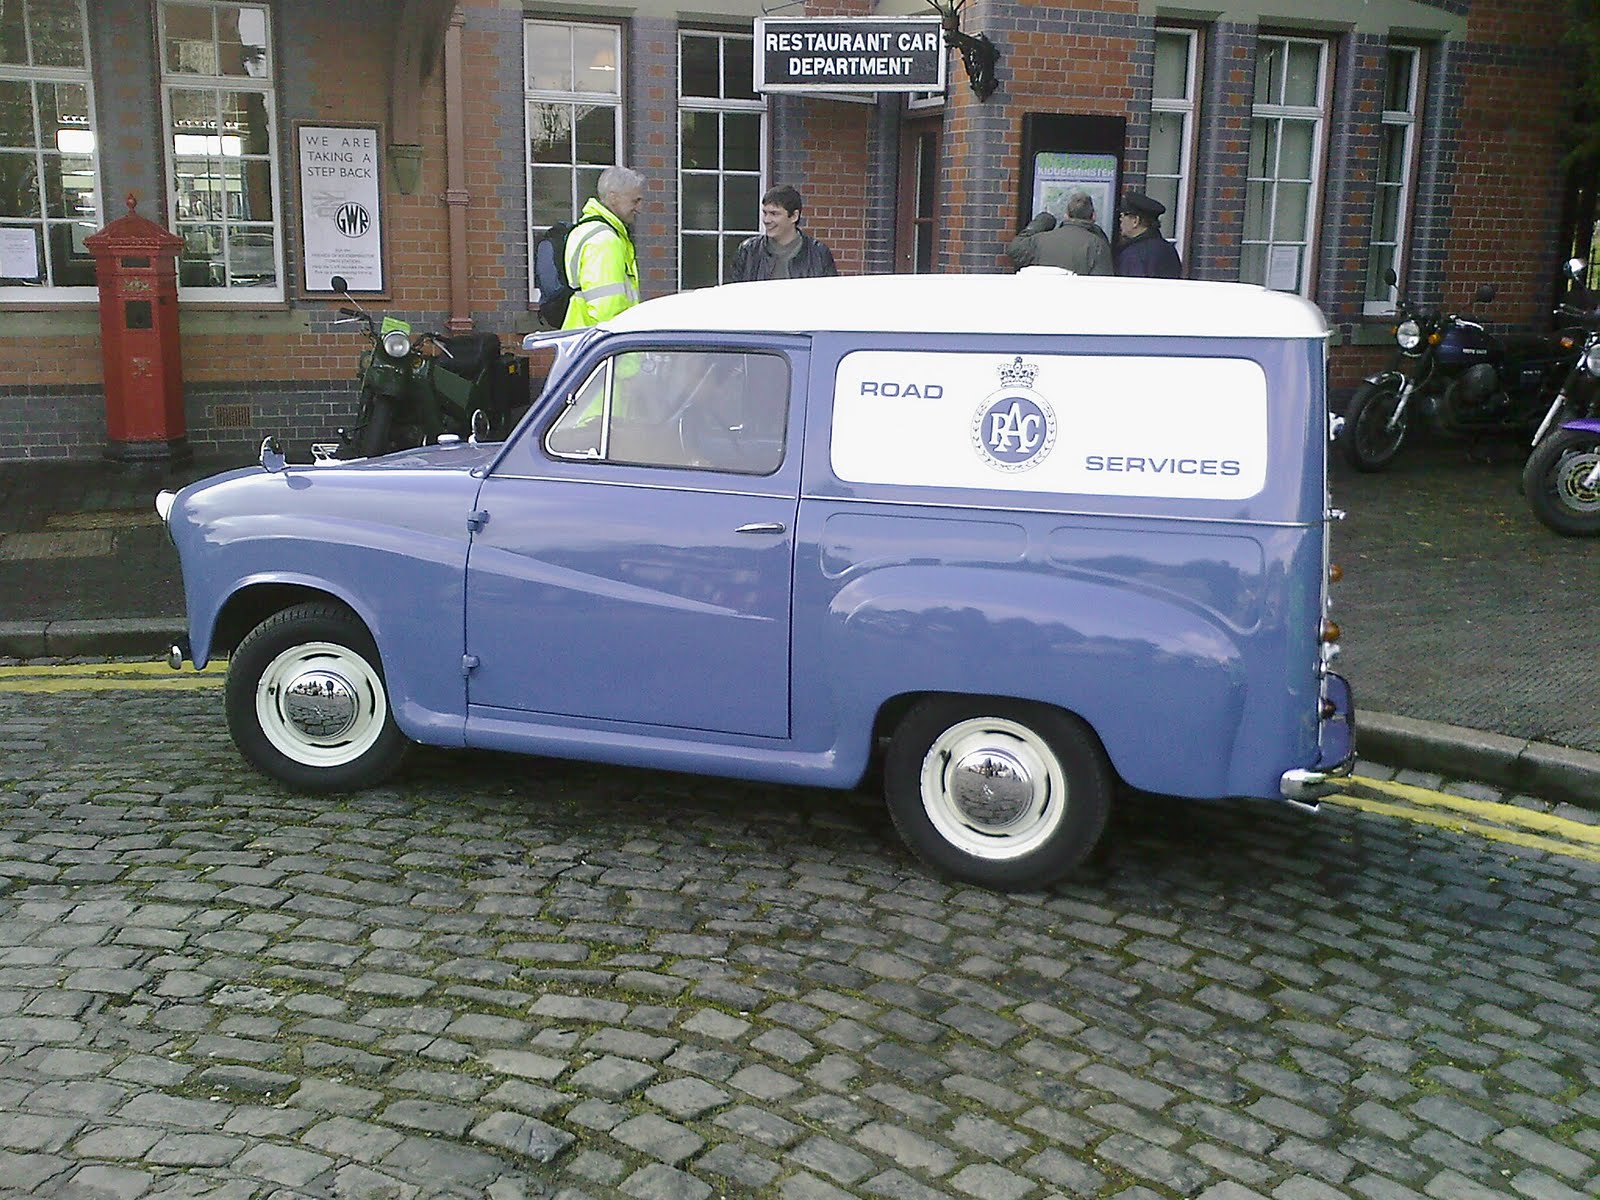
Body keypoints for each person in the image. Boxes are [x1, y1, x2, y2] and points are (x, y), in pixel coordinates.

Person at [562, 166, 644, 328]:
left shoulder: (590, 229)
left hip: (584, 339)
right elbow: (607, 311)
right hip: (606, 346)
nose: (639, 208)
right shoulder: (605, 240)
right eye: (635, 201)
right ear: (613, 198)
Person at [730, 185, 839, 282]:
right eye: (765, 213)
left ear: (794, 216)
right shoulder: (748, 252)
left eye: (774, 214)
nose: (766, 220)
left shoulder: (819, 254)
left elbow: (829, 298)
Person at [1004, 190, 1113, 276]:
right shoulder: (1098, 246)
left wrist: (1044, 219)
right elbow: (1103, 284)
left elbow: (1014, 249)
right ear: (1093, 216)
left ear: (1066, 215)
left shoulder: (1039, 241)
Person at [1115, 191, 1183, 278]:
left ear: (1135, 221)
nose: (1121, 219)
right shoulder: (1169, 249)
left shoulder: (1133, 255)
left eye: (1123, 215)